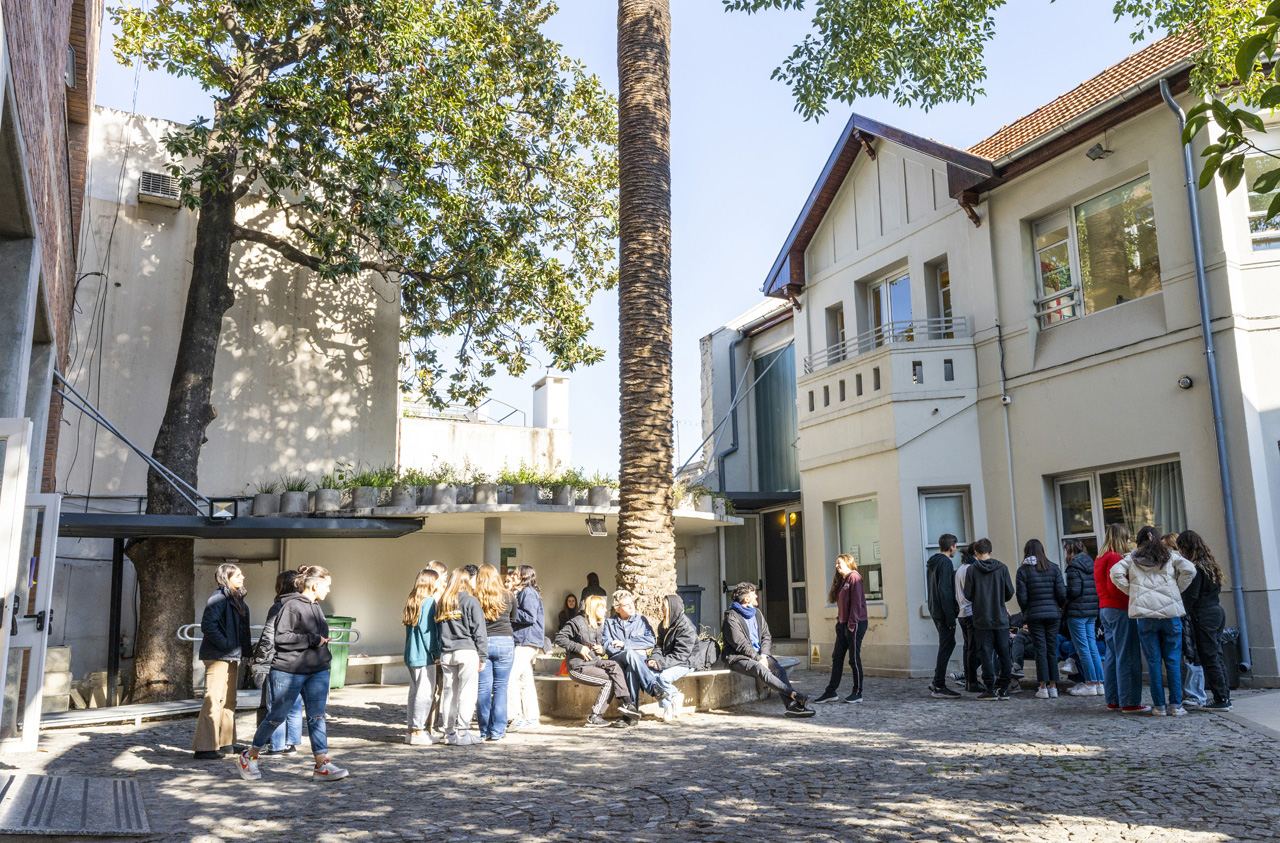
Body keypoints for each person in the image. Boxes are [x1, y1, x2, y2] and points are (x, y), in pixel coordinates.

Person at [237, 566, 348, 782]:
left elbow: (318, 635)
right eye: (327, 586)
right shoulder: (290, 606)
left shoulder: (315, 606)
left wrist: (321, 648)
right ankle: (249, 756)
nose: (329, 590)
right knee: (277, 716)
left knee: (317, 716)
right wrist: (312, 640)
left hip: (317, 670)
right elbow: (282, 638)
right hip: (289, 671)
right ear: (315, 585)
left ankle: (321, 764)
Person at [1110, 525, 1196, 716]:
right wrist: (1176, 590)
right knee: (1173, 661)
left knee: (1154, 662)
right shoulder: (1170, 555)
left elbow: (1115, 573)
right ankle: (1176, 706)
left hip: (1146, 617)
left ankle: (1159, 706)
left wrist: (1131, 591)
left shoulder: (1132, 557)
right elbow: (1190, 570)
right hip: (1171, 615)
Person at [721, 582, 814, 717]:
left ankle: (792, 706)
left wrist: (764, 655)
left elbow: (766, 635)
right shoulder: (731, 617)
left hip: (759, 655)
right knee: (761, 670)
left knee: (779, 670)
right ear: (747, 599)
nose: (757, 597)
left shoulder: (757, 613)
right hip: (738, 657)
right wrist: (758, 658)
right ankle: (793, 694)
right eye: (754, 595)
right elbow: (740, 645)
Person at [554, 594, 642, 727]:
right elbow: (560, 638)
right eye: (602, 608)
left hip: (594, 662)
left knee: (615, 666)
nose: (605, 611)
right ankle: (595, 716)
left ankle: (628, 704)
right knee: (609, 681)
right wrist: (578, 648)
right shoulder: (577, 622)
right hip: (578, 667)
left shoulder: (600, 624)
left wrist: (603, 649)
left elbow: (604, 645)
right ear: (594, 608)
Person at [195, 563, 252, 760]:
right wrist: (227, 645)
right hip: (218, 655)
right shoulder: (218, 598)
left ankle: (226, 742)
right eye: (237, 574)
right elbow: (208, 626)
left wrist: (243, 652)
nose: (242, 577)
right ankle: (205, 747)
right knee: (213, 699)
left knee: (229, 699)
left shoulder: (236, 599)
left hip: (231, 655)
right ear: (226, 577)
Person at [250, 569, 307, 757]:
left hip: (278, 661)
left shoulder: (279, 606)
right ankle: (292, 743)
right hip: (299, 661)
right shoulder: (306, 604)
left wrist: (259, 661)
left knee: (276, 704)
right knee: (295, 704)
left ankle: (276, 745)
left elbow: (268, 636)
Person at [1176, 530, 1232, 711]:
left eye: (1182, 548)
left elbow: (1192, 596)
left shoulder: (1197, 568)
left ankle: (1220, 698)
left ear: (1187, 547)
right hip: (1216, 612)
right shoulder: (1211, 565)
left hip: (1204, 615)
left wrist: (1179, 608)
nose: (1181, 553)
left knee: (1210, 657)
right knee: (1217, 655)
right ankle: (1224, 696)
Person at [1095, 523, 1148, 713]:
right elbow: (1115, 586)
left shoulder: (1101, 557)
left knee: (1112, 655)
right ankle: (1130, 701)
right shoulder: (1115, 557)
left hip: (1105, 609)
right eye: (1126, 538)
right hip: (1119, 608)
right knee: (1128, 655)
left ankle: (1114, 699)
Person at [436, 567, 488, 745]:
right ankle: (464, 733)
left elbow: (436, 630)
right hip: (466, 651)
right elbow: (479, 630)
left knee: (449, 693)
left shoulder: (443, 601)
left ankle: (449, 733)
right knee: (467, 693)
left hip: (446, 652)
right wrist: (482, 655)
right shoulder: (471, 601)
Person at [962, 539, 1014, 701]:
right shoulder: (1002, 568)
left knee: (985, 654)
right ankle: (1004, 688)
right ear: (990, 551)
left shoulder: (972, 570)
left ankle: (989, 688)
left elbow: (968, 594)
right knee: (1004, 654)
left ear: (976, 553)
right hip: (1000, 617)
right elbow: (1009, 592)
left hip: (981, 618)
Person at [813, 554, 869, 703]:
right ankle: (831, 692)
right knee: (837, 657)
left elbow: (856, 602)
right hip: (843, 624)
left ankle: (857, 692)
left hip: (855, 623)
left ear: (848, 563)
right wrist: (840, 622)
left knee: (853, 659)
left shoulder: (854, 577)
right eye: (836, 564)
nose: (837, 566)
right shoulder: (843, 580)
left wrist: (852, 623)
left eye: (840, 563)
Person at [1016, 539, 1066, 699]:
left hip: (1034, 615)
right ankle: (1054, 686)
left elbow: (1022, 597)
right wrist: (1056, 606)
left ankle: (1043, 687)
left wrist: (1026, 611)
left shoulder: (1023, 571)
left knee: (1040, 650)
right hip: (1053, 614)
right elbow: (1061, 594)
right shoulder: (1054, 568)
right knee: (1051, 649)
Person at [475, 564, 517, 741]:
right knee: (501, 688)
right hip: (505, 642)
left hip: (483, 643)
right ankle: (498, 731)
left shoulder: (476, 597)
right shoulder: (509, 596)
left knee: (483, 688)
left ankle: (484, 730)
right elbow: (513, 619)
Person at [403, 568, 442, 746]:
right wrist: (436, 653)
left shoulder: (412, 600)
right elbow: (429, 632)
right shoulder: (429, 603)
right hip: (424, 655)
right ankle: (418, 730)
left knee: (414, 692)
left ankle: (412, 729)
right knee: (425, 694)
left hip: (411, 653)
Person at [603, 590, 662, 707]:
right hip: (619, 660)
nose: (631, 606)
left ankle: (632, 713)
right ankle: (653, 687)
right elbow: (608, 647)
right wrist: (632, 649)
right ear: (618, 609)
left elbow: (651, 640)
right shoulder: (609, 623)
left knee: (631, 670)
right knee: (630, 653)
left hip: (638, 662)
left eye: (632, 603)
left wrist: (625, 644)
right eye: (626, 605)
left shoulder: (641, 620)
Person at [646, 593, 698, 722]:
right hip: (670, 660)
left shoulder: (686, 626)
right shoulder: (664, 624)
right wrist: (654, 659)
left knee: (663, 677)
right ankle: (674, 695)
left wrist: (661, 664)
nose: (661, 608)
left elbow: (682, 654)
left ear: (672, 607)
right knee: (650, 676)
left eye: (663, 606)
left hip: (686, 662)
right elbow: (659, 646)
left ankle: (667, 706)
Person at [1063, 539, 1103, 697]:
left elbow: (1074, 591)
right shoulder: (1091, 564)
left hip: (1077, 612)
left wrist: (1063, 591)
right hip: (1091, 611)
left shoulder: (1073, 567)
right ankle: (1100, 683)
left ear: (1071, 551)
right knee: (1092, 647)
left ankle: (1090, 683)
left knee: (1083, 649)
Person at [508, 565, 545, 731]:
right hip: (527, 640)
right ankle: (531, 717)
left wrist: (510, 612)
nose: (513, 576)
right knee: (525, 680)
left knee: (511, 677)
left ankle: (515, 716)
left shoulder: (528, 592)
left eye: (516, 574)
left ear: (523, 576)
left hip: (526, 640)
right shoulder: (526, 592)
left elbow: (530, 616)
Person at [925, 535, 961, 699]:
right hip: (943, 611)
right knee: (947, 644)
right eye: (955, 546)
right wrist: (950, 618)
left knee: (946, 643)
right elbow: (945, 590)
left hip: (935, 609)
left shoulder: (933, 563)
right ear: (952, 546)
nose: (956, 549)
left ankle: (937, 682)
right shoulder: (945, 563)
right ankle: (938, 684)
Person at [954, 549, 981, 692]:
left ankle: (968, 680)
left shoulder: (960, 569)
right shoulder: (971, 569)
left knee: (967, 648)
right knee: (974, 649)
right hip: (971, 612)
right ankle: (972, 681)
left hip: (962, 614)